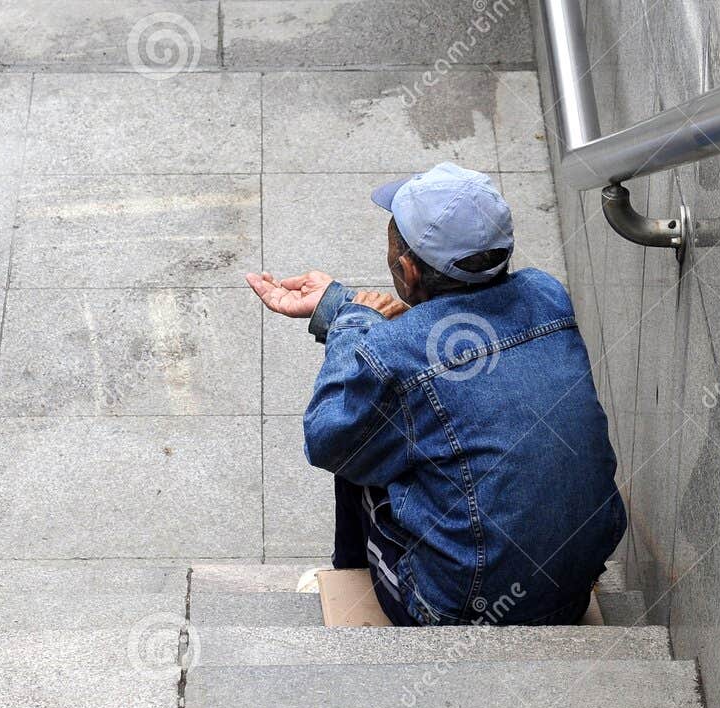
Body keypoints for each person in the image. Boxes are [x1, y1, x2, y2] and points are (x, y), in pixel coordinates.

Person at [246, 163, 625, 626]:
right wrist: (340, 305)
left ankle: (350, 582)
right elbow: (446, 345)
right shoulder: (546, 294)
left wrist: (350, 326)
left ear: (406, 271)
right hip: (570, 591)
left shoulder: (393, 353)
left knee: (358, 435)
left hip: (462, 609)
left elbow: (325, 438)